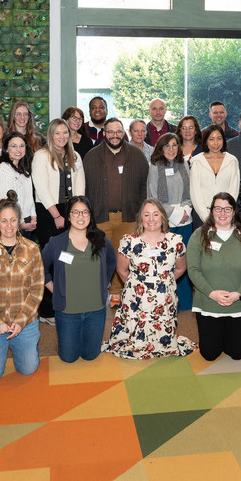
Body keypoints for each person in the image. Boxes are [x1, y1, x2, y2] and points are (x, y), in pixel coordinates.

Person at [105, 200, 196, 358]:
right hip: (136, 298)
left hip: (164, 297)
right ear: (141, 218)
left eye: (155, 214)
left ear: (163, 218)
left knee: (163, 341)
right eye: (146, 215)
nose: (151, 219)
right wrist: (137, 286)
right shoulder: (129, 241)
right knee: (134, 340)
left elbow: (181, 268)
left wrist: (163, 282)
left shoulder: (175, 241)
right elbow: (121, 270)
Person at [0, 191, 45, 381]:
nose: (9, 225)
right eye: (4, 221)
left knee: (28, 369)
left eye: (13, 220)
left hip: (24, 320)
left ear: (19, 220)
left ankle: (29, 345)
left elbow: (37, 289)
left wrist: (21, 320)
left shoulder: (32, 249)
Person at [41, 196, 117, 363]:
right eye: (75, 212)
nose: (80, 216)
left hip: (96, 310)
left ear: (90, 215)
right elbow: (39, 268)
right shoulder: (56, 243)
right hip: (67, 311)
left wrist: (103, 283)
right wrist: (54, 290)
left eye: (85, 212)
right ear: (68, 216)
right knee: (69, 357)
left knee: (91, 356)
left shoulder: (101, 240)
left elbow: (111, 261)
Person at [187, 193, 241, 361]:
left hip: (238, 303)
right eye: (218, 208)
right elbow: (193, 269)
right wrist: (211, 293)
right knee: (209, 354)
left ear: (234, 211)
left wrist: (238, 293)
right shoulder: (198, 235)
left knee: (237, 353)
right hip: (208, 302)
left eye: (227, 209)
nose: (222, 213)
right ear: (212, 211)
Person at [83, 117, 149, 301]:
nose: (115, 135)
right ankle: (96, 292)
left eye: (118, 131)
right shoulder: (91, 156)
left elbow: (144, 186)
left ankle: (116, 293)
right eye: (110, 132)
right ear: (104, 133)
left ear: (124, 133)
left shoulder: (137, 156)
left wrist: (141, 212)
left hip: (128, 217)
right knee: (98, 256)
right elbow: (85, 188)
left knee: (123, 257)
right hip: (100, 217)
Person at [148, 133, 195, 310]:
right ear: (160, 148)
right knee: (166, 262)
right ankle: (164, 301)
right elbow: (153, 197)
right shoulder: (154, 167)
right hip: (164, 220)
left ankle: (184, 302)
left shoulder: (184, 164)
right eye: (167, 145)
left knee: (183, 261)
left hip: (185, 219)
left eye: (175, 145)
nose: (171, 149)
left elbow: (190, 192)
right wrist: (174, 213)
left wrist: (185, 211)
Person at [32, 118, 86, 249]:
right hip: (48, 211)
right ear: (51, 135)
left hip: (70, 210)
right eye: (57, 133)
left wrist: (76, 212)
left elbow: (80, 185)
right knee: (53, 251)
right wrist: (56, 216)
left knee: (70, 251)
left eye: (65, 132)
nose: (62, 136)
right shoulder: (41, 156)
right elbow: (41, 189)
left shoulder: (75, 156)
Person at [190, 125, 241, 223]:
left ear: (224, 140)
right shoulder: (197, 161)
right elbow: (195, 193)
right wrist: (207, 218)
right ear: (206, 141)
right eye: (211, 139)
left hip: (225, 217)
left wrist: (225, 213)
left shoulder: (232, 160)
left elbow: (234, 190)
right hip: (201, 216)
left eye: (219, 138)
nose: (216, 143)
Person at [0, 132, 37, 239]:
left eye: (22, 146)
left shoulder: (25, 169)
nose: (18, 150)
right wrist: (20, 223)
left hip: (26, 221)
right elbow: (6, 203)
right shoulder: (3, 170)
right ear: (6, 149)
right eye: (13, 146)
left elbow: (29, 196)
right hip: (11, 223)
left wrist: (33, 215)